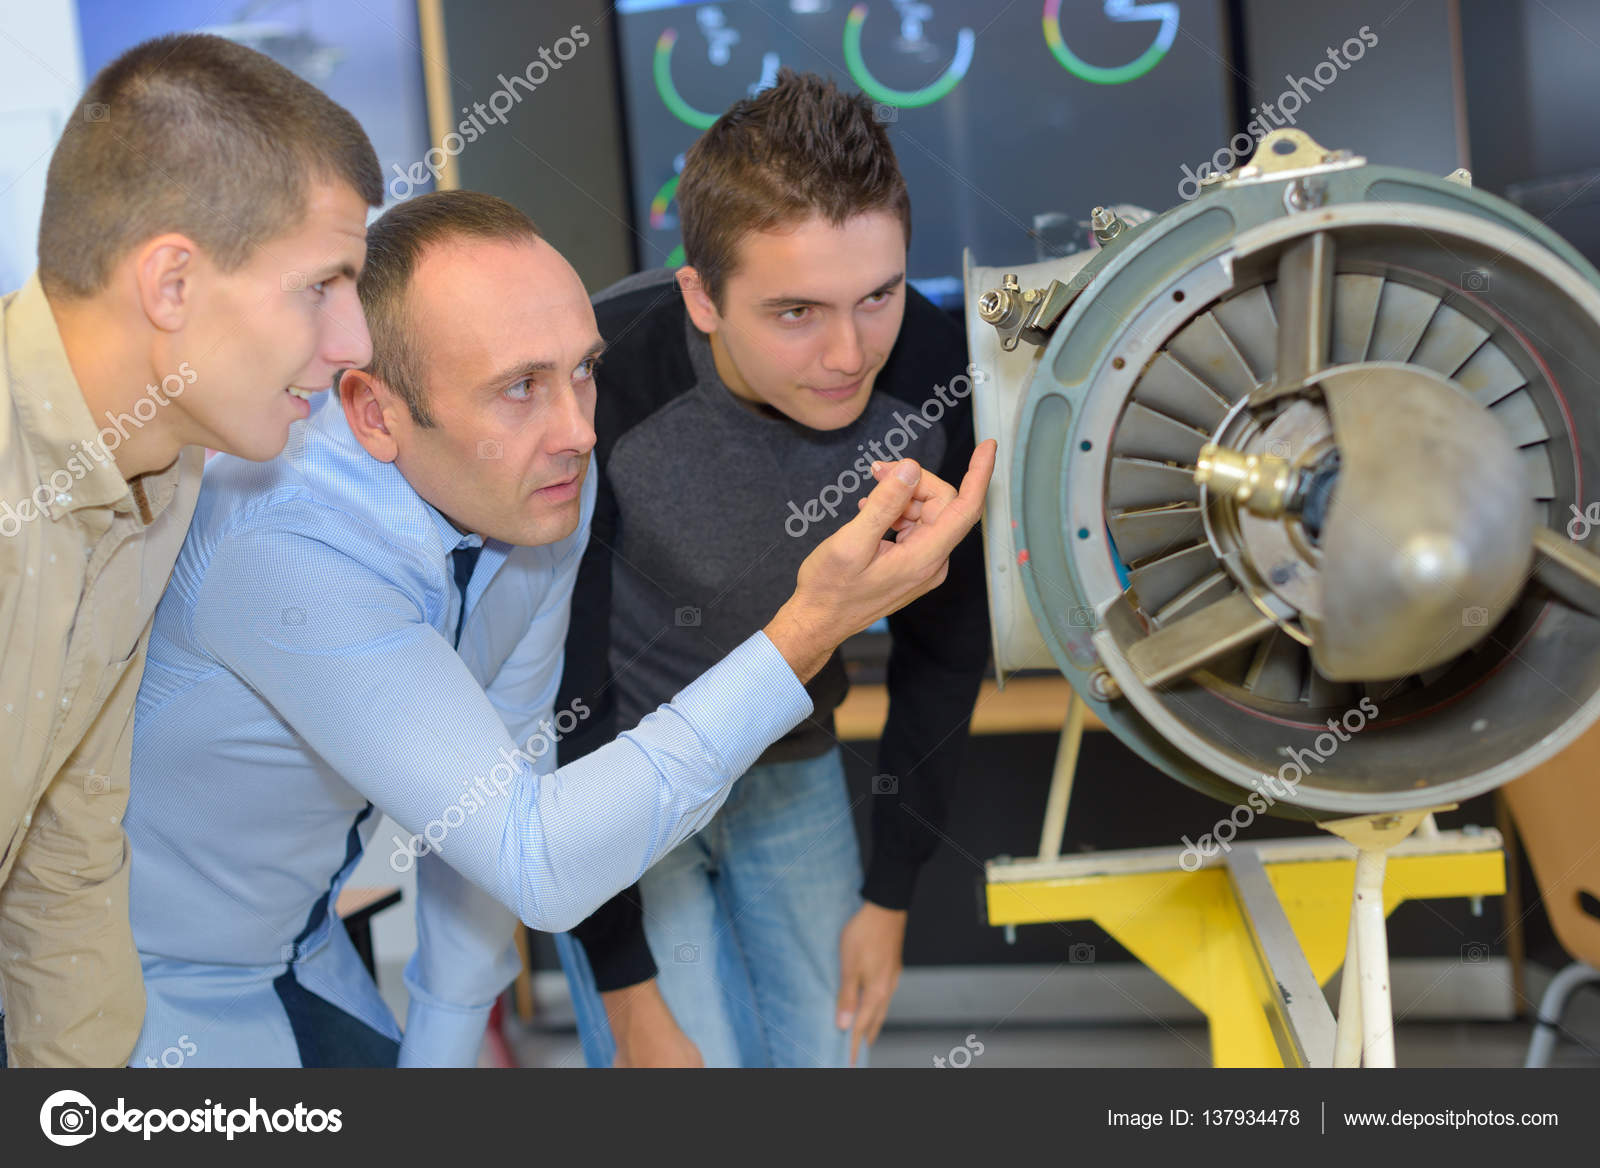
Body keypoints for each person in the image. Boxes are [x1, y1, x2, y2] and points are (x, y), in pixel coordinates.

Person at [118, 188, 995, 1067]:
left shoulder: (539, 495)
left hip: (299, 952)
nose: (579, 431)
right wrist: (809, 627)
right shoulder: (290, 545)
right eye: (520, 387)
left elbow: (499, 790)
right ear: (375, 412)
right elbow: (534, 856)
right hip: (141, 986)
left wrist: (443, 1056)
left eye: (583, 369)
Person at [553, 70, 990, 1068]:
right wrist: (624, 987)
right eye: (795, 311)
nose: (849, 352)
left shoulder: (934, 366)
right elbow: (561, 687)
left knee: (827, 1067)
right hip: (627, 782)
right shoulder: (606, 376)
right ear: (702, 297)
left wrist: (890, 890)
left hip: (792, 769)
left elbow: (947, 643)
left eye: (876, 294)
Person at [0, 33, 381, 1068]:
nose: (354, 342)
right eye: (321, 285)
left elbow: (66, 840)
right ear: (171, 283)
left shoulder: (163, 464)